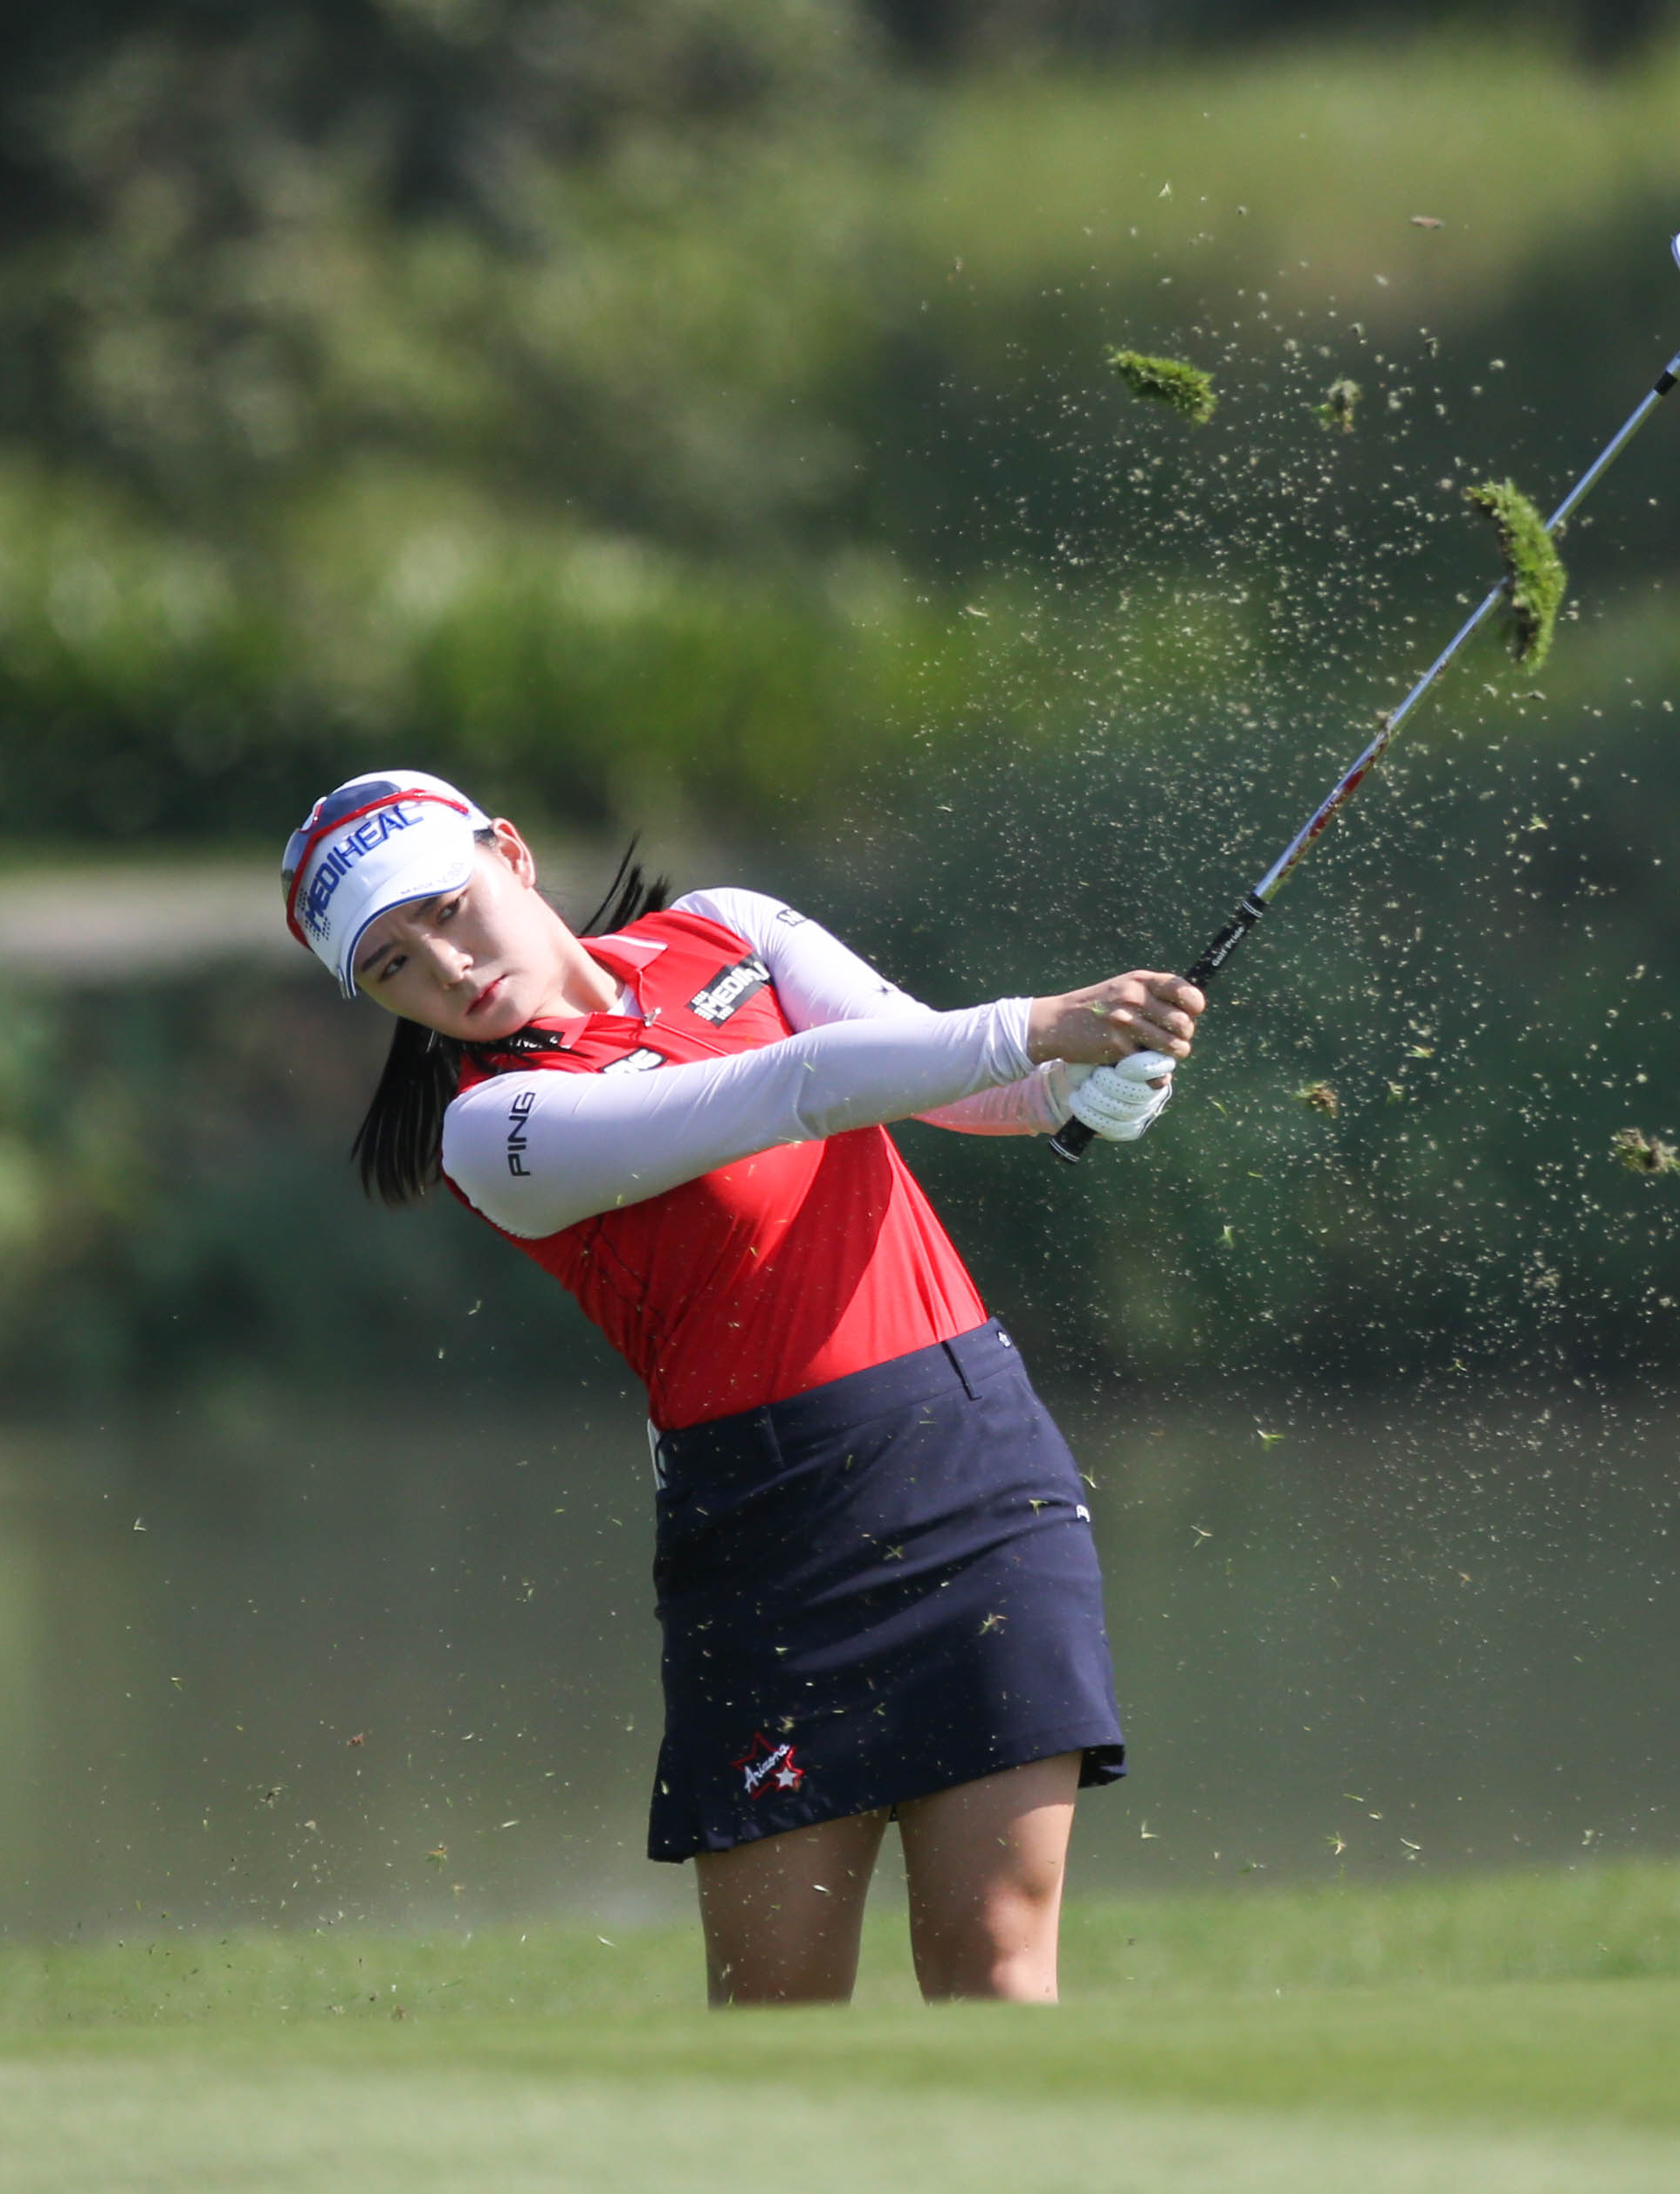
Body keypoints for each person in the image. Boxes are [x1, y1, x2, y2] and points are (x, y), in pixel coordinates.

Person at [279, 770, 1201, 2005]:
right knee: (778, 2014)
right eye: (392, 965)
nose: (442, 967)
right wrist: (1043, 1021)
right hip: (770, 1536)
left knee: (995, 1963)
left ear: (511, 849)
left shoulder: (729, 927)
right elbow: (796, 1086)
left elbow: (962, 1082)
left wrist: (1089, 1085)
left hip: (977, 1466)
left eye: (447, 909)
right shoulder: (494, 1125)